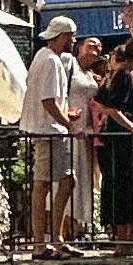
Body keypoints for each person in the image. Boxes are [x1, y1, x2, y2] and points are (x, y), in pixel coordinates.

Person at [21, 16, 86, 246]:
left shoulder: (44, 57)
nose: (74, 40)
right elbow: (48, 101)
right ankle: (43, 241)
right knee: (46, 183)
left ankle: (54, 239)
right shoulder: (51, 61)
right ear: (63, 37)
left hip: (48, 129)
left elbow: (49, 100)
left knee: (59, 182)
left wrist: (65, 116)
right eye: (72, 36)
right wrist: (70, 125)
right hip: (48, 131)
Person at [95, 36, 133, 239]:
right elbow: (112, 108)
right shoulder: (124, 76)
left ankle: (130, 239)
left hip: (120, 142)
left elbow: (100, 101)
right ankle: (124, 241)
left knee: (131, 187)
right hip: (122, 143)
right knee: (124, 188)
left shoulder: (116, 75)